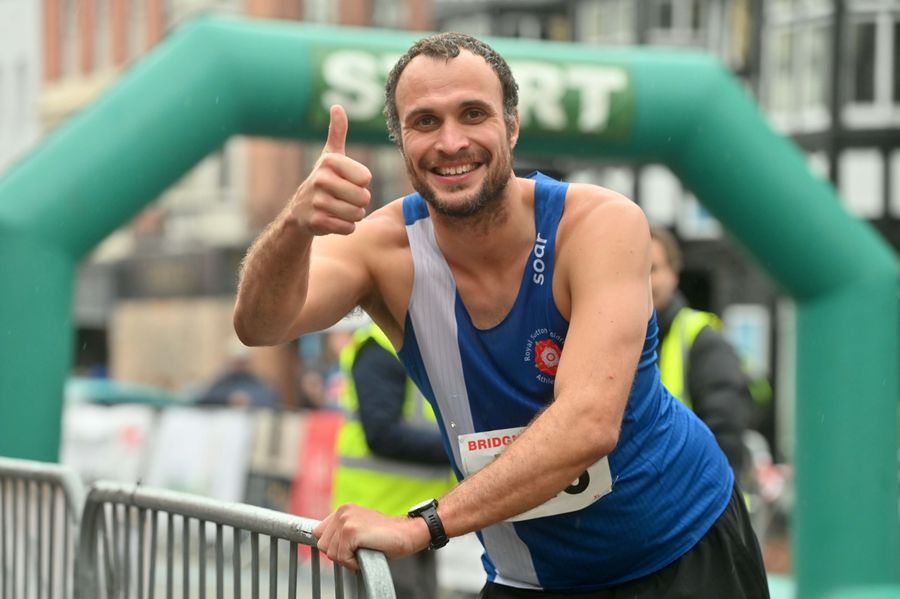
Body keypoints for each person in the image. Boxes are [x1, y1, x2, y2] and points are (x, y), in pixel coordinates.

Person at [233, 32, 769, 597]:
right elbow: (260, 326)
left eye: (473, 114)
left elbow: (587, 424)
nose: (452, 141)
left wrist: (423, 525)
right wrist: (296, 225)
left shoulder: (598, 225)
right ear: (401, 142)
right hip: (531, 577)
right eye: (425, 122)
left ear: (511, 127)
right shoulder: (384, 250)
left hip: (680, 548)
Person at [332, 321, 456, 598]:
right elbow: (382, 435)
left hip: (418, 515)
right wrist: (456, 449)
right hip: (379, 516)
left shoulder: (426, 345)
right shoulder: (380, 346)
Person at [649, 226, 753, 477]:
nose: (643, 279)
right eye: (633, 269)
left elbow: (725, 434)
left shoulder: (702, 338)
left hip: (689, 498)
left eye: (652, 269)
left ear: (674, 274)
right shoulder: (614, 335)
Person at [196, 340, 279, 408]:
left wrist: (249, 400)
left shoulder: (259, 382)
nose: (240, 365)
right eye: (237, 361)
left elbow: (270, 400)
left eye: (243, 362)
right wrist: (228, 399)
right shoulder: (223, 381)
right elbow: (206, 399)